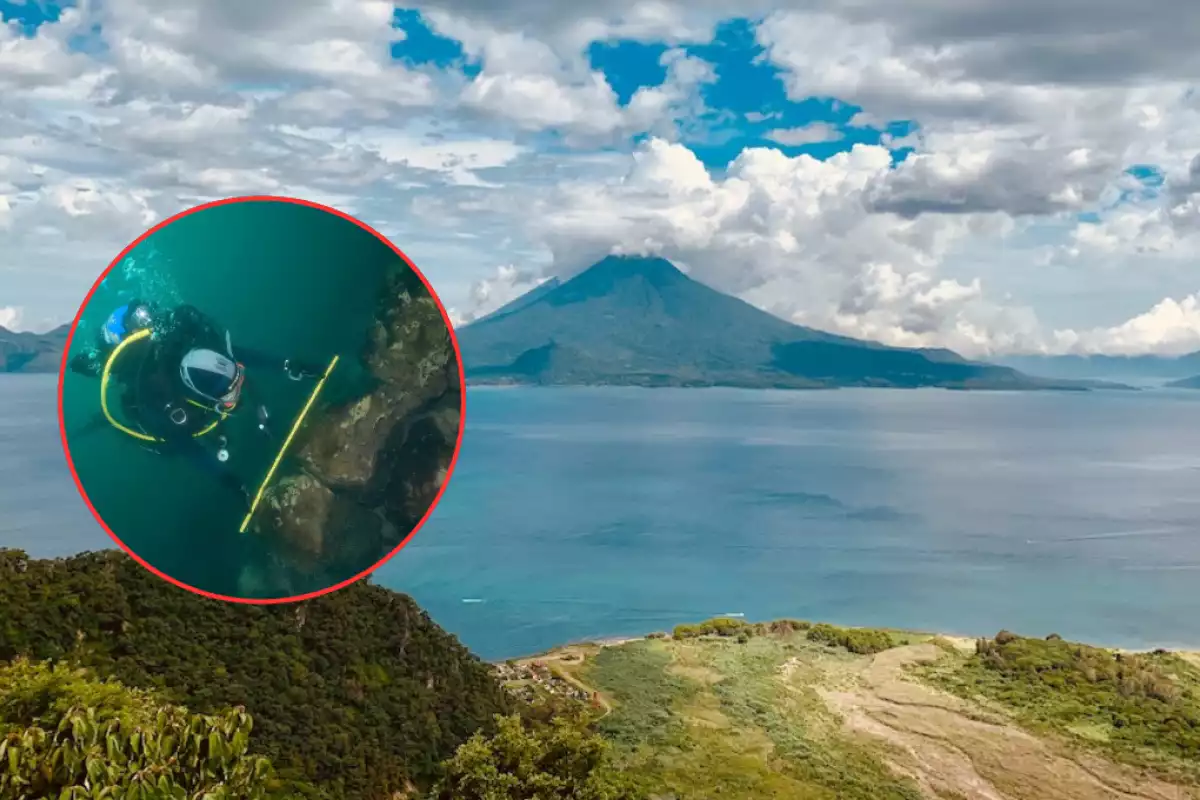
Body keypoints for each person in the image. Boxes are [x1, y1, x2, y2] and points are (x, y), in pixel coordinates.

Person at [70, 301, 325, 508]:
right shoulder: (159, 405)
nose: (235, 394)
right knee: (170, 446)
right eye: (226, 392)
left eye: (234, 384)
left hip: (178, 375)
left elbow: (234, 355)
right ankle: (103, 422)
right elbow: (191, 449)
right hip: (165, 422)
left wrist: (287, 365)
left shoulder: (193, 346)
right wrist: (232, 482)